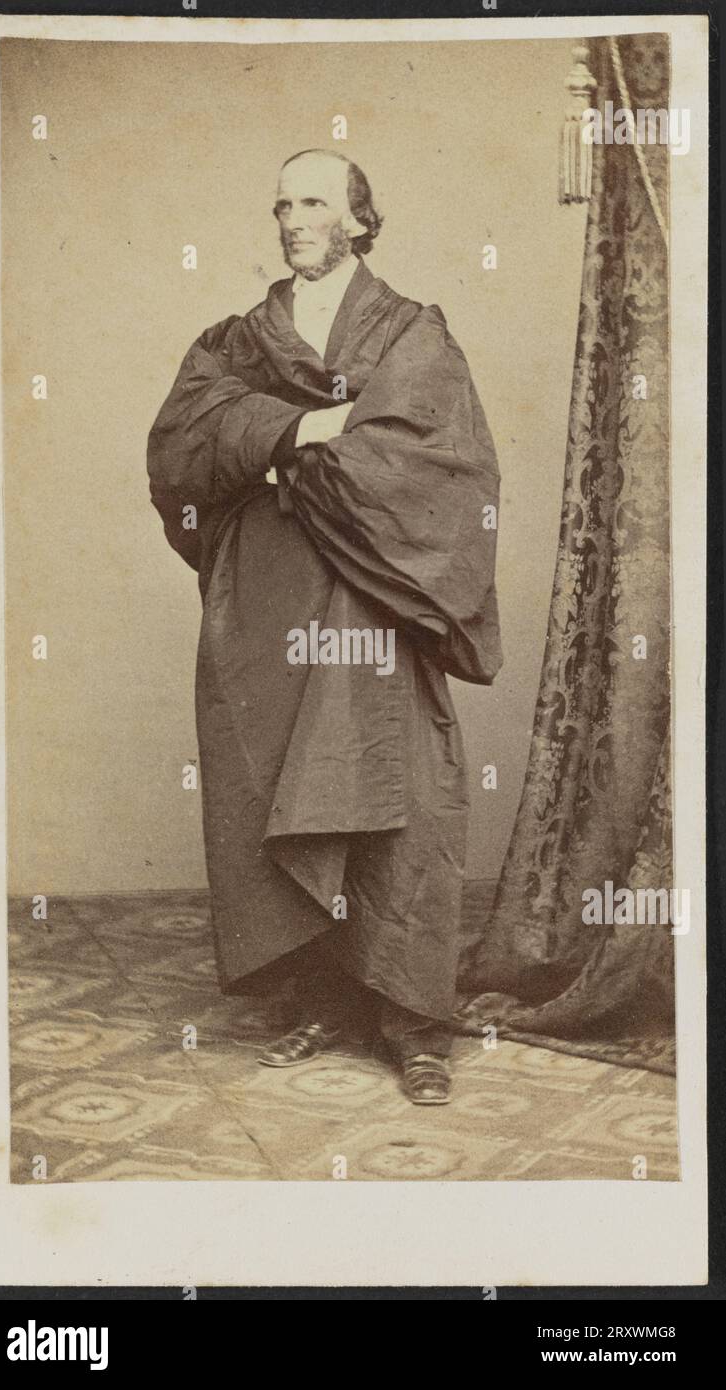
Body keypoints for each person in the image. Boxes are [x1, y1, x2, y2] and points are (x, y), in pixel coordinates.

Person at [147, 148, 502, 1105]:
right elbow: (184, 441)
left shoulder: (408, 331)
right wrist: (300, 430)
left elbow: (434, 462)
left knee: (395, 793)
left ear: (356, 217)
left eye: (312, 200)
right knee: (272, 784)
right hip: (266, 596)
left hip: (372, 593)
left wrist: (270, 450)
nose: (292, 218)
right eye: (281, 203)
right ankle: (320, 1000)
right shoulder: (236, 334)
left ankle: (413, 1025)